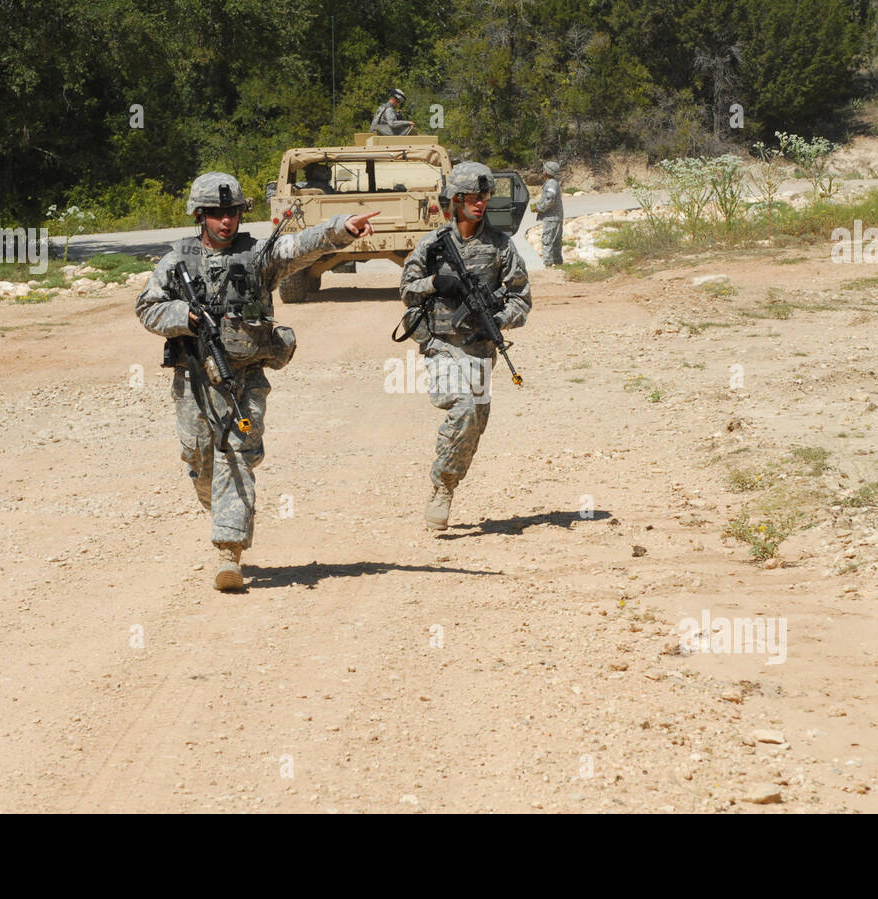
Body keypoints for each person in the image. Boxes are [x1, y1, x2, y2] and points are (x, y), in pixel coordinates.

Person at [135, 172, 378, 591]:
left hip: (246, 376)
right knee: (199, 460)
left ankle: (229, 551)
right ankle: (224, 507)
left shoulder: (259, 255)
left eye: (231, 212)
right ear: (200, 215)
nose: (226, 221)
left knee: (239, 453)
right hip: (194, 377)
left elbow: (299, 246)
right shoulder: (176, 261)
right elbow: (146, 308)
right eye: (216, 214)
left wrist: (342, 228)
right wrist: (185, 317)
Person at [398, 162, 532, 531]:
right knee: (464, 405)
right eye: (473, 197)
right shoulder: (432, 245)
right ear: (455, 201)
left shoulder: (501, 246)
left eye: (485, 196)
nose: (481, 203)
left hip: (480, 348)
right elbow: (406, 290)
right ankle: (441, 487)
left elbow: (521, 298)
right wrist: (436, 284)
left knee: (474, 425)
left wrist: (498, 321)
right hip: (440, 344)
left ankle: (450, 481)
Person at [534, 160, 564, 267]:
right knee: (556, 242)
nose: (542, 170)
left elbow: (550, 199)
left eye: (544, 169)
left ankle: (548, 265)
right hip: (555, 217)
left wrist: (539, 208)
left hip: (551, 218)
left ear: (546, 172)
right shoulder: (553, 183)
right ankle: (558, 264)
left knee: (547, 241)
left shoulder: (551, 183)